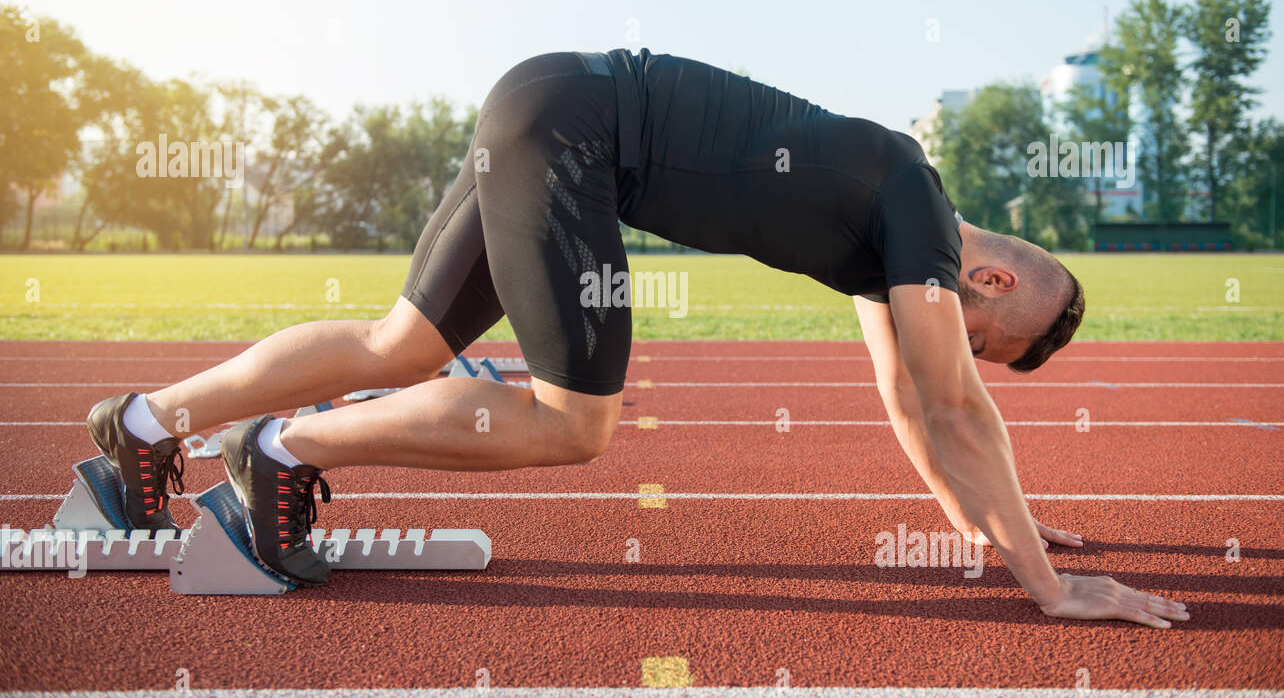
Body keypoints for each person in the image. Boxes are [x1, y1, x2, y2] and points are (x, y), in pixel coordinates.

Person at [85, 48, 1188, 628]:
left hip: (545, 99)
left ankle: (143, 428)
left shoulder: (895, 212)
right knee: (574, 423)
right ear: (986, 280)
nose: (966, 345)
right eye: (990, 337)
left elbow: (912, 398)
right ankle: (282, 450)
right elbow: (954, 402)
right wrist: (1049, 587)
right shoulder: (919, 223)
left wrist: (997, 528)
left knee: (399, 345)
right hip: (576, 137)